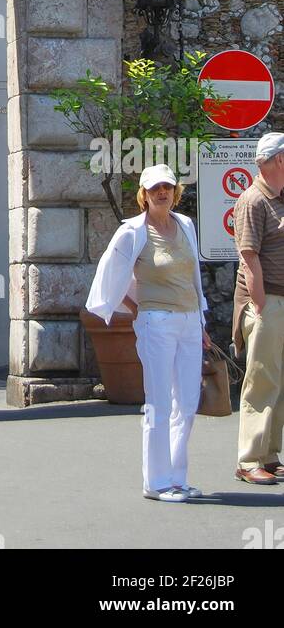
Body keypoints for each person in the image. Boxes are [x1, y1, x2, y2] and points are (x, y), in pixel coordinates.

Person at [86, 163, 211, 502]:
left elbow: (193, 278)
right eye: (155, 187)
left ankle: (176, 476)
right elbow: (111, 273)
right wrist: (135, 307)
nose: (162, 192)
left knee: (186, 402)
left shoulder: (185, 225)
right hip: (157, 322)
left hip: (188, 320)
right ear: (144, 194)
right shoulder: (132, 231)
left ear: (175, 191)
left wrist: (201, 321)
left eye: (167, 187)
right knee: (158, 401)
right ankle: (156, 482)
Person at [232, 131, 284, 485]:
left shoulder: (279, 199)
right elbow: (249, 260)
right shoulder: (253, 200)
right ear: (279, 160)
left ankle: (269, 453)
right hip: (267, 302)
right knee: (261, 379)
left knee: (277, 380)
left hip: (280, 300)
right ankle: (250, 459)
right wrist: (261, 306)